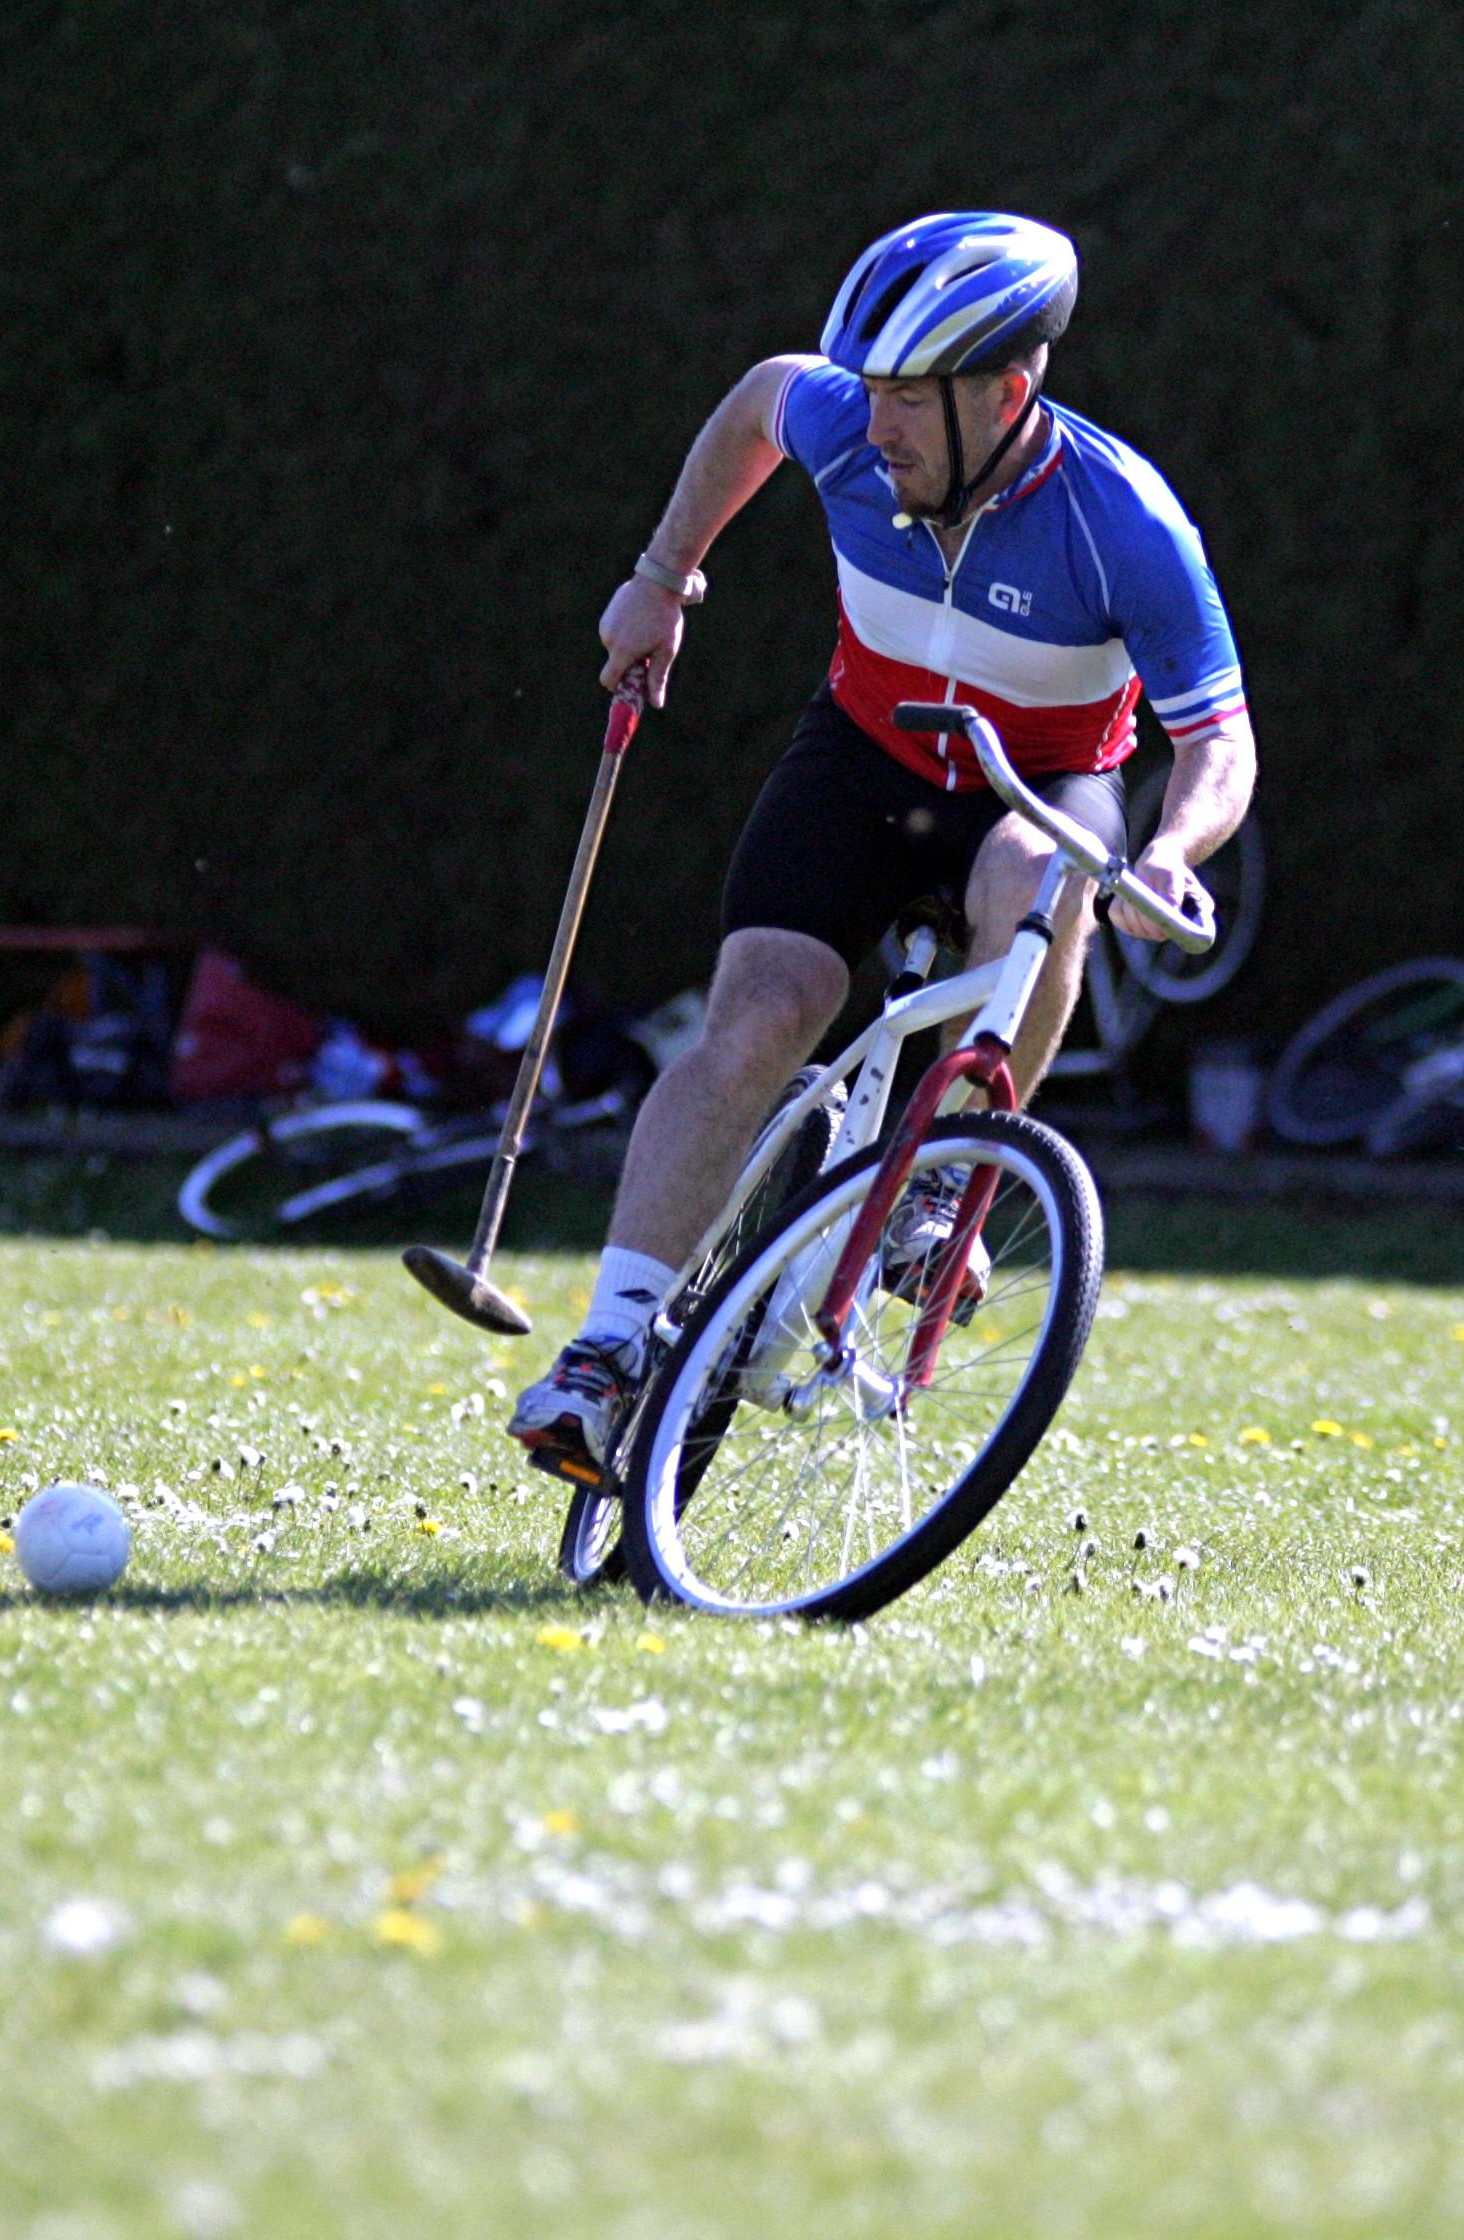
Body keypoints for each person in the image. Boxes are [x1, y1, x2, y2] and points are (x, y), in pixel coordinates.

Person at [508, 213, 1255, 1483]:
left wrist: (1176, 849)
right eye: (870, 389)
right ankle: (608, 1347)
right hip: (865, 758)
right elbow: (760, 399)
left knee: (1040, 880)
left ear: (1006, 393)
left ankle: (946, 1174)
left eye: (909, 397)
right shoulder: (847, 426)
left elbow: (1220, 741)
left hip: (1037, 783)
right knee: (764, 1009)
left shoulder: (1126, 525)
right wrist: (662, 576)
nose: (875, 422)